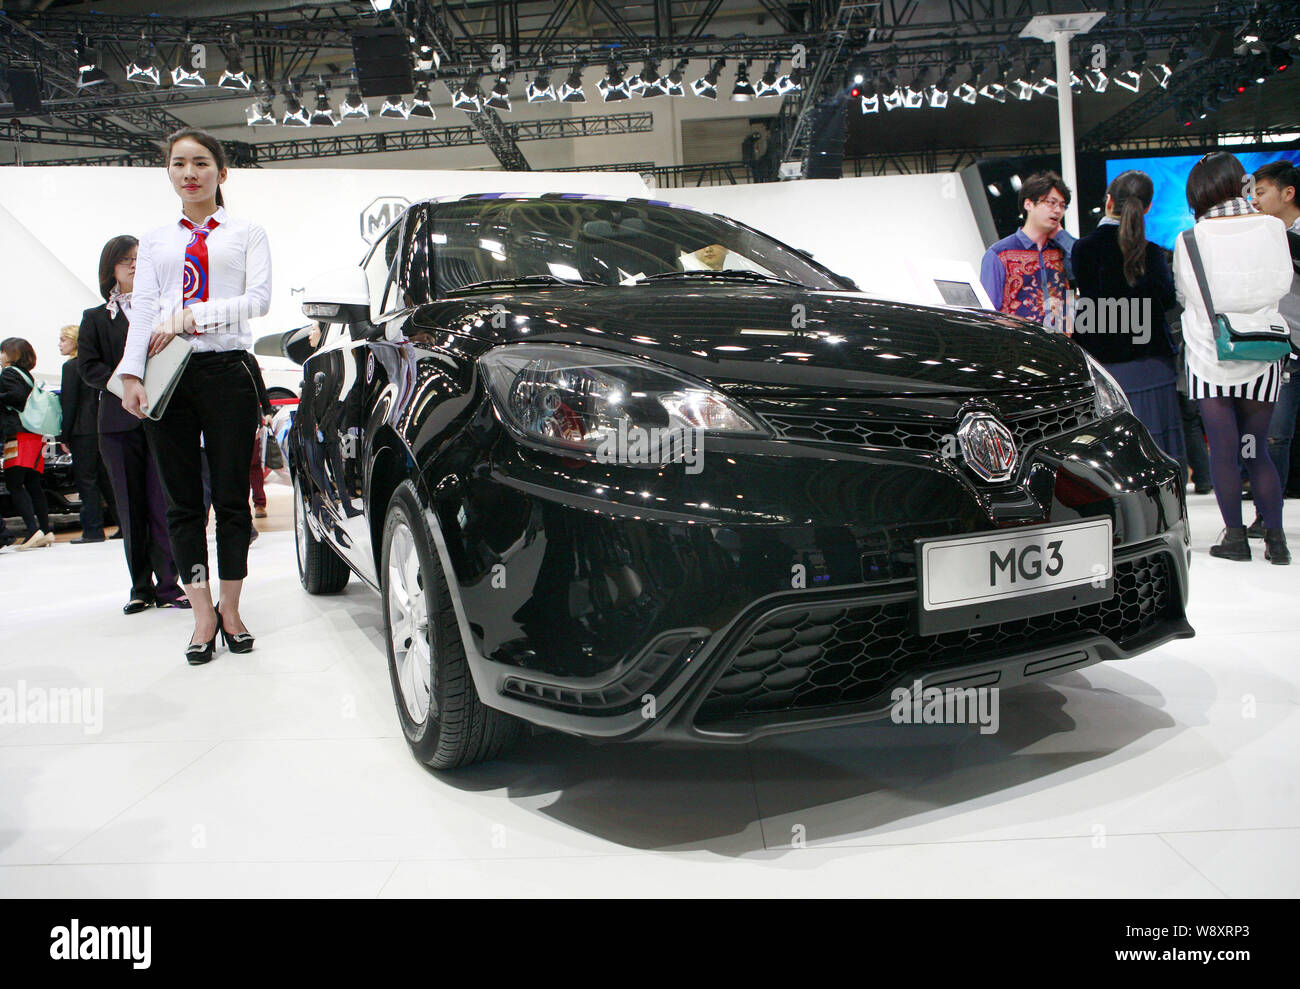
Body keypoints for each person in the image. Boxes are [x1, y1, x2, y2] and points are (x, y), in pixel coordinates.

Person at [114, 127, 271, 662]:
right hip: (168, 374)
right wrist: (132, 373)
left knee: (231, 500)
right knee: (182, 505)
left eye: (201, 163)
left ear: (220, 173)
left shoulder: (246, 232)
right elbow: (143, 312)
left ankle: (232, 606)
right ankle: (201, 611)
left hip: (226, 372)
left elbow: (259, 300)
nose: (189, 173)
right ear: (169, 173)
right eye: (179, 163)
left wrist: (192, 316)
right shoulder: (157, 240)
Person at [1172, 151, 1293, 564]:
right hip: (1262, 352)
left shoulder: (1191, 240)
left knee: (1224, 451)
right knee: (1254, 449)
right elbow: (1282, 283)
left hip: (1212, 356)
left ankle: (1236, 540)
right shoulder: (1272, 227)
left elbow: (1186, 297)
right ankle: (1276, 542)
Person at [78, 234, 186, 613]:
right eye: (127, 260)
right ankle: (140, 587)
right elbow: (88, 367)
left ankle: (171, 584)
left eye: (141, 259)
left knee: (163, 504)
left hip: (161, 417)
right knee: (129, 506)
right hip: (117, 422)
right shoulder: (94, 318)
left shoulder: (161, 312)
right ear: (111, 269)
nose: (135, 266)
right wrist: (127, 385)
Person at [1071, 169, 1186, 478]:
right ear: (1147, 207)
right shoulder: (1152, 252)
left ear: (1109, 201)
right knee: (1159, 454)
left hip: (1104, 367)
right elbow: (1168, 301)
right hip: (1151, 363)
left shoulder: (1083, 249)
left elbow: (1090, 303)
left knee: (1112, 456)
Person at [1246, 160, 1300, 537]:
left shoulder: (1281, 237)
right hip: (1283, 350)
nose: (1254, 200)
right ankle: (1269, 515)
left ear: (1287, 193)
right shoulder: (1263, 237)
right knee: (1274, 436)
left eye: (1261, 192)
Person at [980, 171, 1072, 329]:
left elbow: (1087, 267)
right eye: (1051, 202)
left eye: (1062, 205)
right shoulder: (1000, 254)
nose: (1057, 210)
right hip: (1017, 347)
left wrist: (1062, 236)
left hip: (1059, 347)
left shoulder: (1062, 251)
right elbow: (988, 314)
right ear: (1028, 204)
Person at [57, 323, 117, 543]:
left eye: (63, 339)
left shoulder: (71, 367)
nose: (59, 344)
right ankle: (122, 524)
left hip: (82, 431)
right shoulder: (94, 365)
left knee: (87, 480)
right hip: (100, 427)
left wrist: (64, 435)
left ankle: (92, 529)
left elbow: (69, 403)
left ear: (74, 341)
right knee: (106, 478)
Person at [0, 337, 54, 550]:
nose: (1, 356)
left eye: (3, 352)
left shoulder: (9, 373)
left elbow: (16, 396)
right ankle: (45, 529)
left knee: (15, 482)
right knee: (33, 483)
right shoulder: (26, 374)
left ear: (12, 354)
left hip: (19, 433)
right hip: (35, 433)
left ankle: (33, 531)